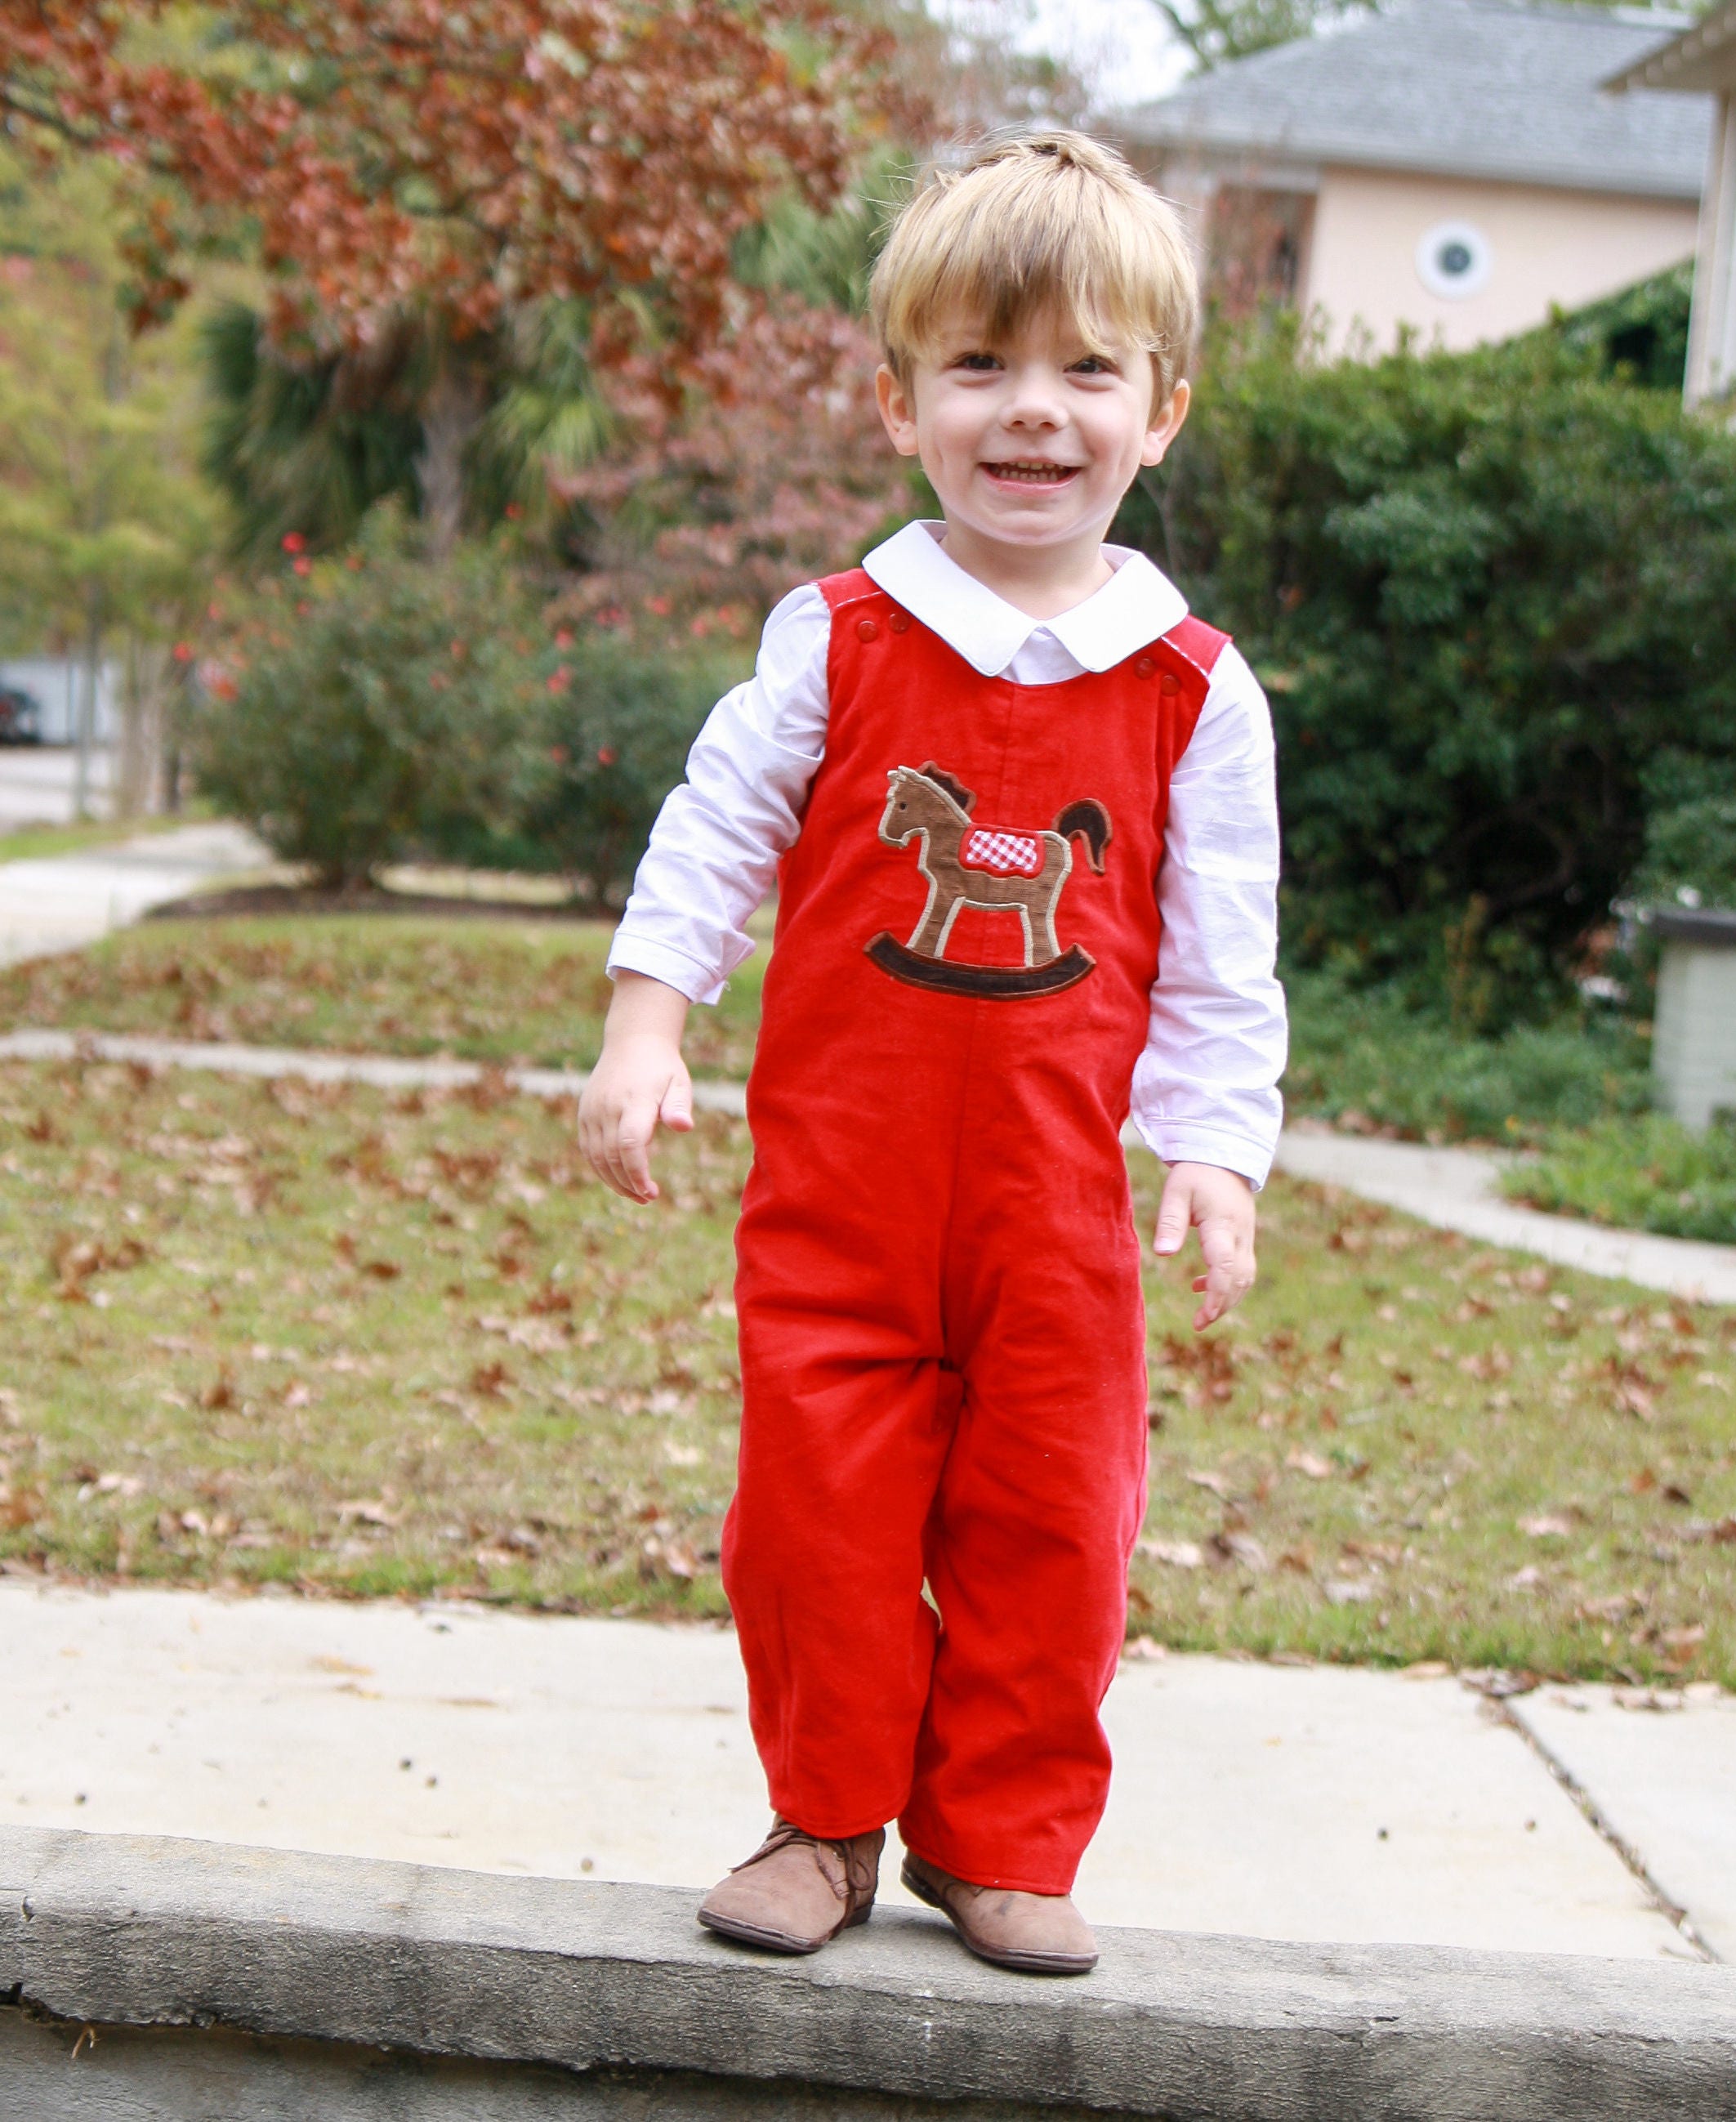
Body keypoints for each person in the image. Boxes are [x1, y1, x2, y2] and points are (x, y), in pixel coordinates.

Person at [578, 128, 1286, 1977]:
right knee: (814, 1518)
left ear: (1162, 412)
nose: (1031, 411)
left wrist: (1217, 1149)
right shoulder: (835, 640)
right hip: (841, 1198)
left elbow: (1224, 962)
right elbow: (712, 833)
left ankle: (1003, 1839)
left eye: (1083, 371)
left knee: (1055, 1526)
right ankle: (825, 1825)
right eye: (981, 366)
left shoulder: (1192, 689)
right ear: (901, 404)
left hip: (1054, 1223)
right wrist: (650, 1023)